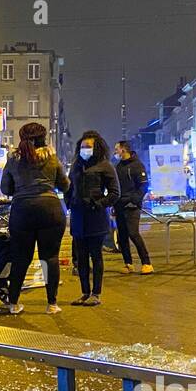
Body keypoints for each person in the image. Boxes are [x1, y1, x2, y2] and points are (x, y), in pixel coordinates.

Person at [1, 121, 69, 315]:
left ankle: (13, 303)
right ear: (43, 138)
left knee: (21, 258)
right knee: (49, 258)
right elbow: (64, 184)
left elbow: (5, 188)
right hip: (50, 210)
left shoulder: (14, 159)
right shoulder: (52, 157)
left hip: (22, 211)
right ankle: (52, 304)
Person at [67, 131, 119, 307]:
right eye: (82, 146)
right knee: (81, 258)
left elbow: (114, 193)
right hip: (78, 217)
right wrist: (69, 203)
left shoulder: (105, 166)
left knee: (95, 256)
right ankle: (84, 292)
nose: (84, 149)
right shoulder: (76, 166)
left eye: (88, 147)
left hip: (95, 217)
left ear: (96, 147)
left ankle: (96, 293)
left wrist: (99, 204)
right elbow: (69, 187)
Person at [113, 141, 153, 274]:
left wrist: (134, 201)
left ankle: (146, 263)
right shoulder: (118, 167)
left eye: (117, 149)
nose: (115, 152)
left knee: (133, 233)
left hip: (132, 206)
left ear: (124, 150)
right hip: (120, 205)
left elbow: (143, 186)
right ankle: (128, 263)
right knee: (122, 236)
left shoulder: (137, 165)